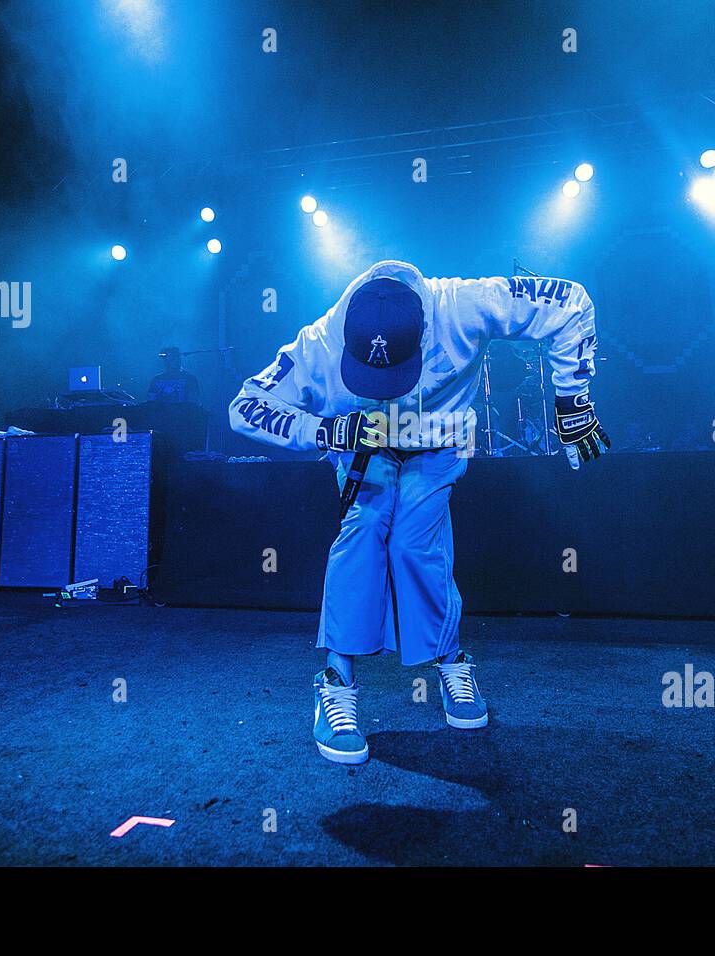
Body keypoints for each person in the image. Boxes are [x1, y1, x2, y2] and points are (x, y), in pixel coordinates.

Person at [229, 260, 609, 764]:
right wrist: (324, 432)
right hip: (365, 440)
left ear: (426, 328)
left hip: (438, 440)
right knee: (363, 527)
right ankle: (336, 681)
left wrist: (573, 404)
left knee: (413, 543)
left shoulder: (464, 304)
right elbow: (244, 405)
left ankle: (451, 661)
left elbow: (571, 302)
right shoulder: (319, 343)